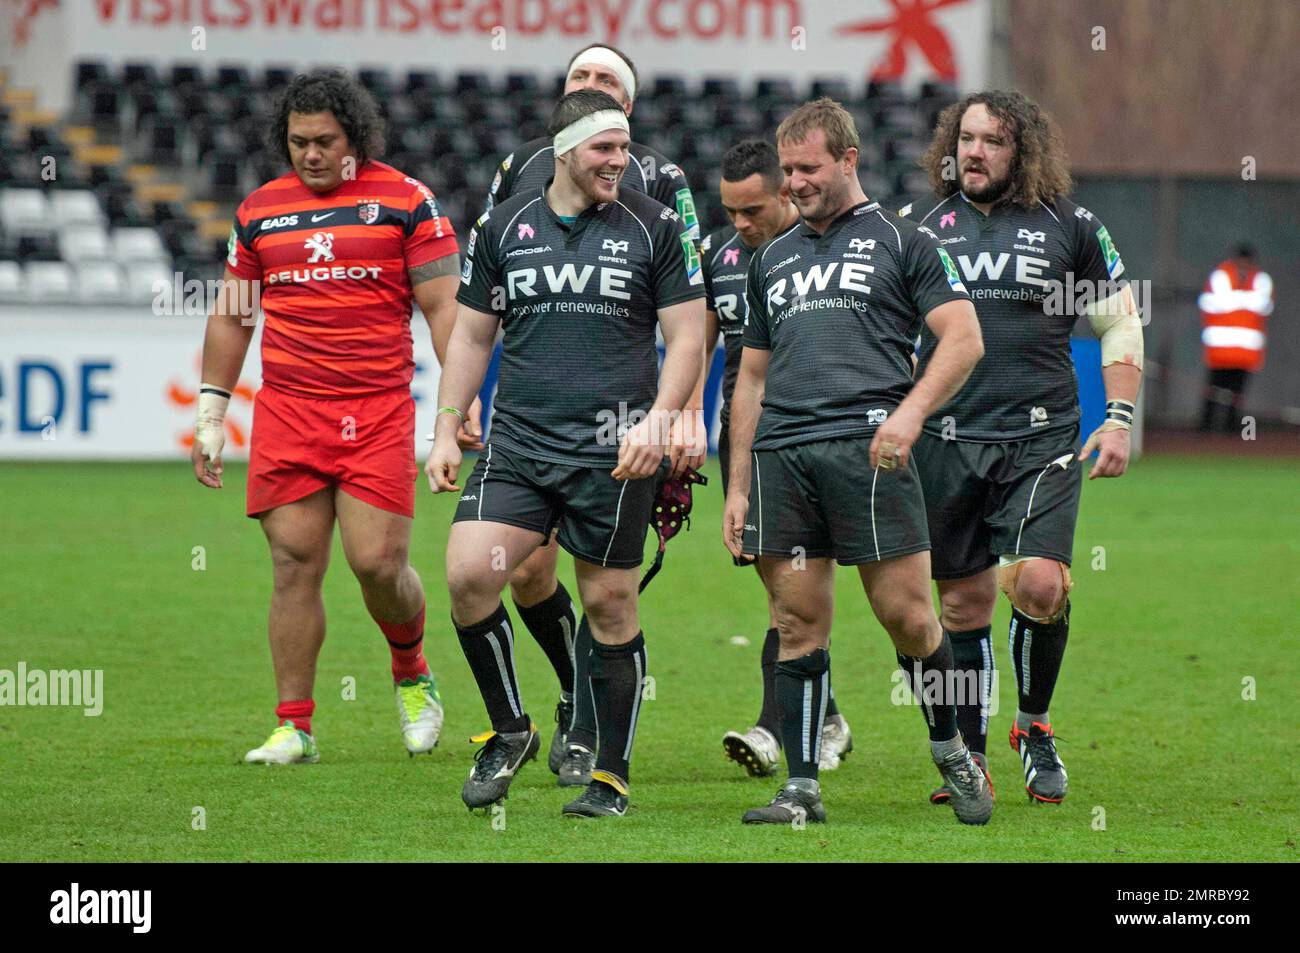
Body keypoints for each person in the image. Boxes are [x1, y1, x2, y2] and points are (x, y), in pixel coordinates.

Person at [427, 90, 705, 817]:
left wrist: (662, 420)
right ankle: (511, 727)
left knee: (609, 603)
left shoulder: (654, 226)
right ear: (564, 151)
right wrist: (445, 421)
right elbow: (471, 335)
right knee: (466, 574)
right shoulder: (505, 225)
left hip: (615, 452)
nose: (620, 161)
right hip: (519, 444)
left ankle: (609, 775)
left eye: (624, 147)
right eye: (604, 149)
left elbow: (687, 336)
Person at [723, 99, 992, 826]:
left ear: (848, 160)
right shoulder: (770, 258)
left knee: (908, 619)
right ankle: (801, 786)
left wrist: (910, 412)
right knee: (796, 620)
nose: (795, 183)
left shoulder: (903, 241)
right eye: (787, 170)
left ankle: (953, 751)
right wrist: (738, 485)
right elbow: (750, 377)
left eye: (808, 167)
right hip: (785, 454)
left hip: (870, 452)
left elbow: (963, 338)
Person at [191, 70, 461, 763]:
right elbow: (232, 315)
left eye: (324, 141)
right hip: (288, 411)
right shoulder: (259, 211)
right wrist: (212, 409)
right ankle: (295, 725)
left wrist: (459, 407)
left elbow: (445, 311)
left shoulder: (406, 201)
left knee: (377, 562)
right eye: (297, 141)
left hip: (375, 412)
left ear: (355, 139)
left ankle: (412, 672)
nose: (310, 154)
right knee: (292, 564)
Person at [901, 89, 1144, 804]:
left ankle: (1033, 726)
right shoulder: (919, 229)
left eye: (994, 141)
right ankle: (968, 757)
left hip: (1040, 438)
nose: (975, 152)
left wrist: (1120, 416)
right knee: (963, 607)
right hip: (944, 444)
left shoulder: (1070, 226)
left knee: (1040, 583)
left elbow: (1120, 325)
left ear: (1023, 150)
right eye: (967, 138)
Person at [704, 139, 852, 777]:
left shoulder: (827, 253)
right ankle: (822, 718)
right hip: (748, 437)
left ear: (787, 193)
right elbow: (698, 346)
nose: (741, 225)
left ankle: (780, 726)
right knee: (781, 592)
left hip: (825, 432)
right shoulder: (720, 258)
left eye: (753, 209)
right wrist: (681, 425)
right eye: (730, 211)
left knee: (800, 596)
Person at [1198, 243, 1273, 433]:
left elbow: (1263, 305)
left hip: (1245, 351)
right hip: (1220, 349)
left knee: (1237, 392)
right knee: (1214, 390)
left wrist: (1233, 301)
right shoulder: (1221, 275)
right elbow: (1212, 303)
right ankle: (1206, 426)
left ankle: (1231, 428)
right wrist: (1244, 301)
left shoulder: (1261, 279)